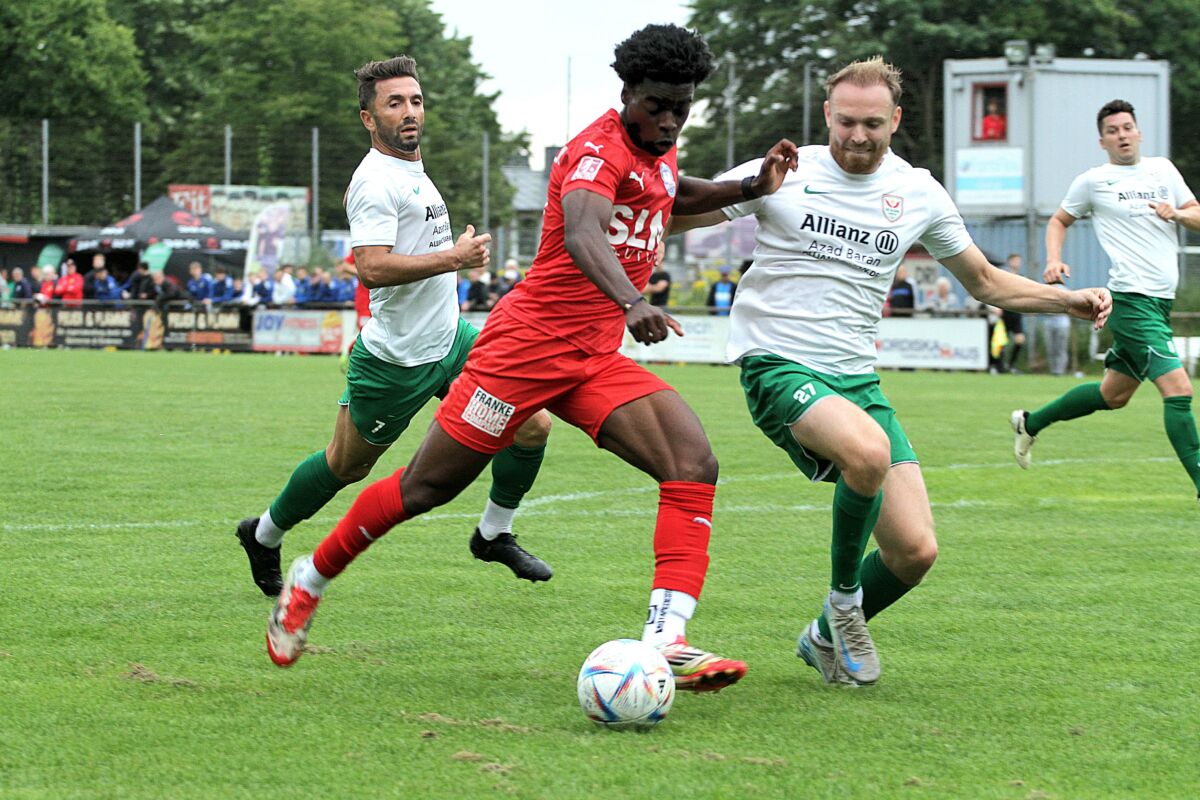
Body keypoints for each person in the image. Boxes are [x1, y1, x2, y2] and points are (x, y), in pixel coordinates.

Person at [264, 26, 801, 692]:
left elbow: (672, 192)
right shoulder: (594, 151)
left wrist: (750, 185)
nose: (667, 121)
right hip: (522, 353)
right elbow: (582, 230)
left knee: (693, 462)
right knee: (425, 489)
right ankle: (308, 578)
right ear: (628, 92)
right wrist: (633, 300)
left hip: (592, 357)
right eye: (657, 106)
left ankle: (667, 639)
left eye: (681, 108)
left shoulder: (658, 149)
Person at [671, 56, 1110, 686]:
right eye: (845, 121)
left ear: (895, 120)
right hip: (776, 363)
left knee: (914, 552)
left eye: (871, 124)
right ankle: (845, 605)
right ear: (827, 115)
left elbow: (984, 281)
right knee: (869, 455)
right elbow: (677, 217)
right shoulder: (782, 172)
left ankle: (823, 637)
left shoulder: (920, 193)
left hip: (856, 379)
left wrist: (1068, 300)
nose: (856, 135)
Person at [236, 54, 556, 601]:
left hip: (452, 342)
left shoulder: (412, 169)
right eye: (394, 103)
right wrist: (456, 259)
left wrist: (455, 257)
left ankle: (494, 533)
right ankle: (262, 533)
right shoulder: (374, 181)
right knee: (346, 465)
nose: (409, 112)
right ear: (369, 118)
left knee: (532, 423)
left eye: (415, 100)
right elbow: (372, 265)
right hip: (396, 360)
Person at [1011, 99, 1200, 496]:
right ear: (1103, 141)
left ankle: (1030, 423)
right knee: (1179, 389)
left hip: (1159, 305)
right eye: (1113, 131)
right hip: (1130, 301)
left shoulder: (1164, 170)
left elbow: (1196, 214)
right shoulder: (1094, 180)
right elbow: (1059, 220)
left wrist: (1178, 215)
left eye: (1127, 127)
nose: (1122, 135)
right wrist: (1054, 260)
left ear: (1139, 132)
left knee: (1112, 396)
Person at [999, 254, 1026, 372]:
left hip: (1016, 314)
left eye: (1018, 261)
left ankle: (1011, 365)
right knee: (1000, 342)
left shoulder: (1022, 278)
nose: (1017, 263)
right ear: (1009, 262)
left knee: (1020, 340)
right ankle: (998, 366)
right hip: (1005, 313)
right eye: (1014, 261)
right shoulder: (1004, 276)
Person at [644, 240, 670, 306]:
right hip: (652, 305)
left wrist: (650, 287)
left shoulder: (665, 275)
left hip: (662, 306)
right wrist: (653, 287)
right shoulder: (653, 275)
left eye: (661, 261)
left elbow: (659, 288)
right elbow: (643, 289)